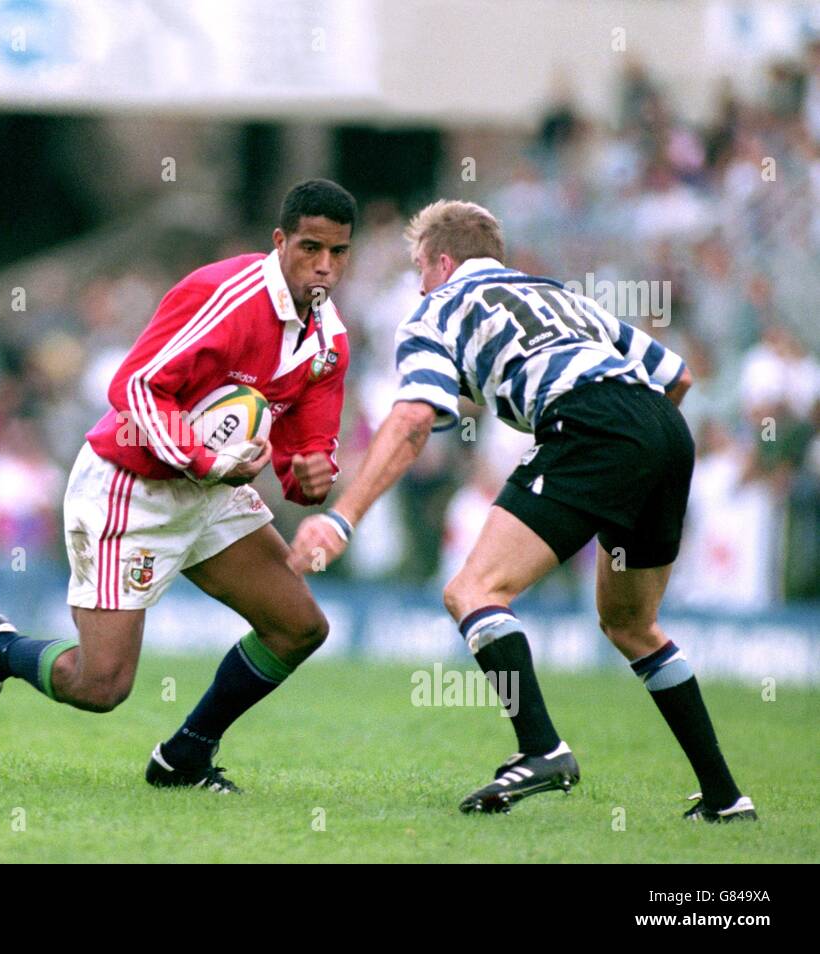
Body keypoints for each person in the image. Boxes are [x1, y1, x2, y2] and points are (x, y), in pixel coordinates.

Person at [288, 199, 756, 822]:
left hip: (588, 427)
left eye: (420, 269)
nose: (419, 283)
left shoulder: (435, 310)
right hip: (665, 429)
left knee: (473, 589)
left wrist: (341, 517)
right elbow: (678, 377)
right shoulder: (559, 295)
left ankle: (542, 748)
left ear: (443, 261)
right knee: (630, 624)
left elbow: (412, 419)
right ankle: (725, 797)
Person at [0, 179, 357, 793]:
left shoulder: (329, 341)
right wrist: (208, 462)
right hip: (129, 489)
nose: (324, 266)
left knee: (299, 628)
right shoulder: (225, 294)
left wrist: (313, 471)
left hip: (210, 494)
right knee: (100, 685)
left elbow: (302, 454)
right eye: (310, 247)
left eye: (338, 253)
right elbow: (133, 388)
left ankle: (184, 757)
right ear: (279, 241)